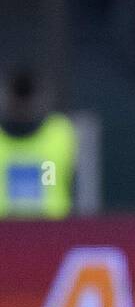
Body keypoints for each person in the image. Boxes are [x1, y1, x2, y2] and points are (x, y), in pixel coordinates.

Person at [0, 69, 77, 219]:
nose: (22, 104)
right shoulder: (60, 132)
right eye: (18, 96)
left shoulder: (60, 132)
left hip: (52, 233)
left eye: (26, 95)